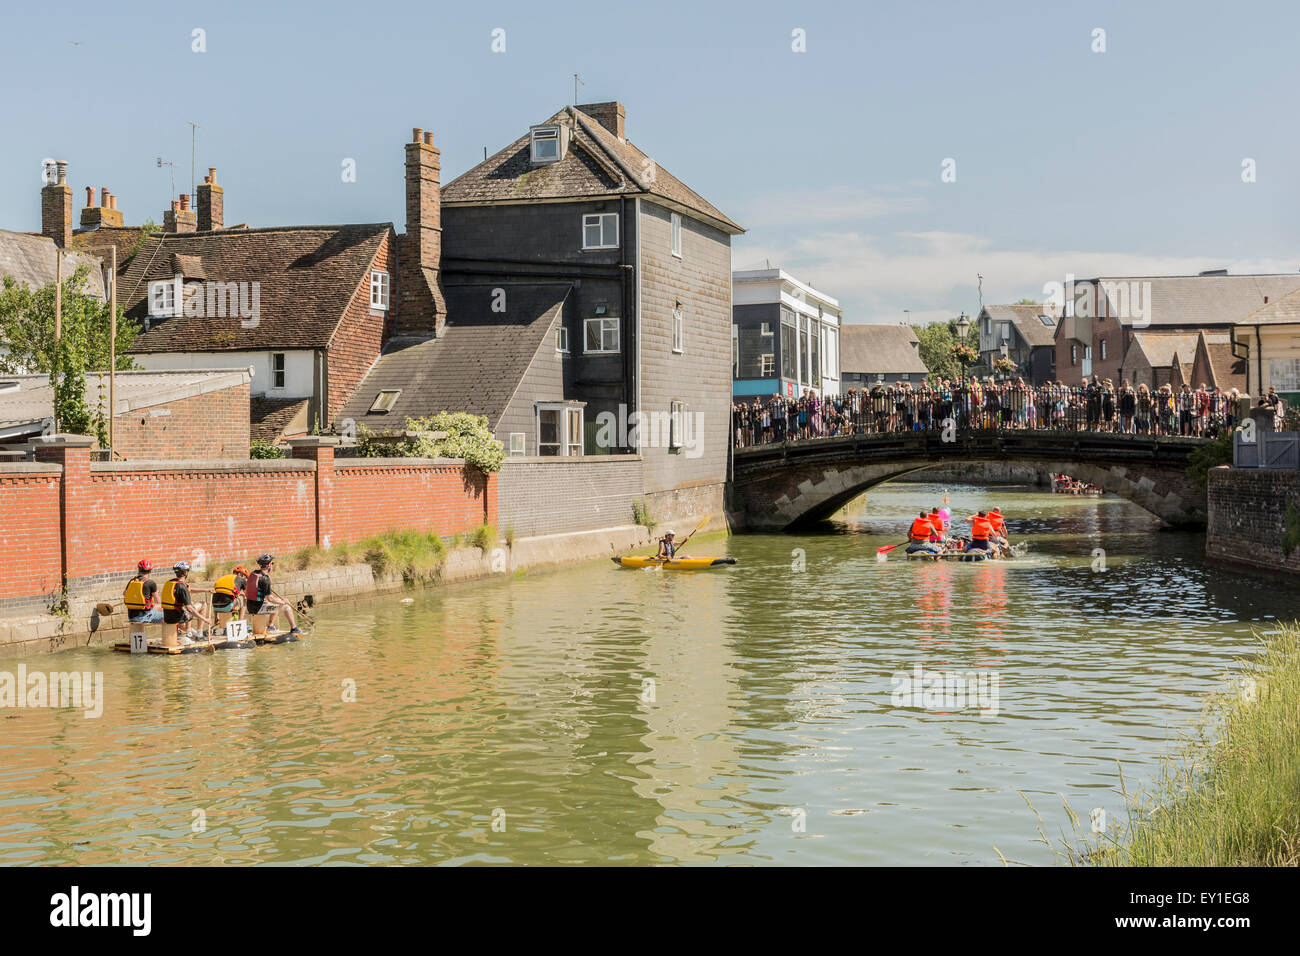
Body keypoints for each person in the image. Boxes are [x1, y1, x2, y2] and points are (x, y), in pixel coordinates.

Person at [244, 554, 301, 635]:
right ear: (269, 565)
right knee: (285, 605)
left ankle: (271, 625)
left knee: (277, 602)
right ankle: (293, 628)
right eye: (272, 563)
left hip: (250, 606)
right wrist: (284, 601)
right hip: (257, 608)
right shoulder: (265, 579)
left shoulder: (253, 573)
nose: (272, 565)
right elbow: (270, 599)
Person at [161, 561, 212, 643]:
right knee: (203, 604)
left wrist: (206, 590)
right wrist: (205, 619)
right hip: (178, 617)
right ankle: (199, 634)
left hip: (167, 616)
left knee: (189, 603)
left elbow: (188, 590)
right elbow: (190, 609)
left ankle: (189, 632)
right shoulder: (182, 587)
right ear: (185, 572)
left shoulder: (170, 583)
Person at [123, 559, 163, 624]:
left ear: (139, 570)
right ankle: (173, 633)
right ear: (150, 571)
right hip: (144, 616)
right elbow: (157, 601)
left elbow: (124, 593)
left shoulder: (132, 581)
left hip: (131, 617)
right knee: (169, 615)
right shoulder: (151, 583)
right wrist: (155, 594)